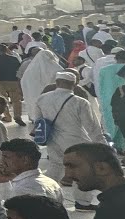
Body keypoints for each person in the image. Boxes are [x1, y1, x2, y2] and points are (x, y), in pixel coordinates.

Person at [35, 70, 102, 210]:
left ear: (57, 82)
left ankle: (44, 197)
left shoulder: (42, 99)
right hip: (76, 141)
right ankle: (83, 202)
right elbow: (92, 127)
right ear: (74, 85)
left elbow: (38, 121)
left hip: (52, 140)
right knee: (81, 170)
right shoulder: (80, 102)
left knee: (55, 167)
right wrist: (102, 145)